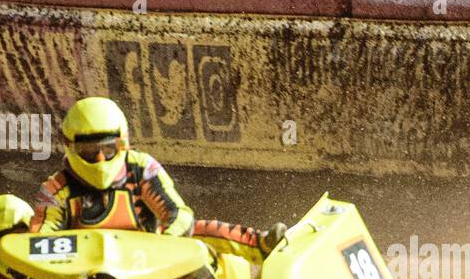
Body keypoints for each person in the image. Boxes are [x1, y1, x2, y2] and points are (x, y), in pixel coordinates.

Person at [32, 96, 284, 260]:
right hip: (79, 275)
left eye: (107, 149)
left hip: (146, 261)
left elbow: (179, 214)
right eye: (89, 151)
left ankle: (264, 246)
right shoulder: (55, 191)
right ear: (70, 146)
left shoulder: (141, 168)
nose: (99, 159)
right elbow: (37, 245)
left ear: (122, 143)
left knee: (196, 231)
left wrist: (163, 245)